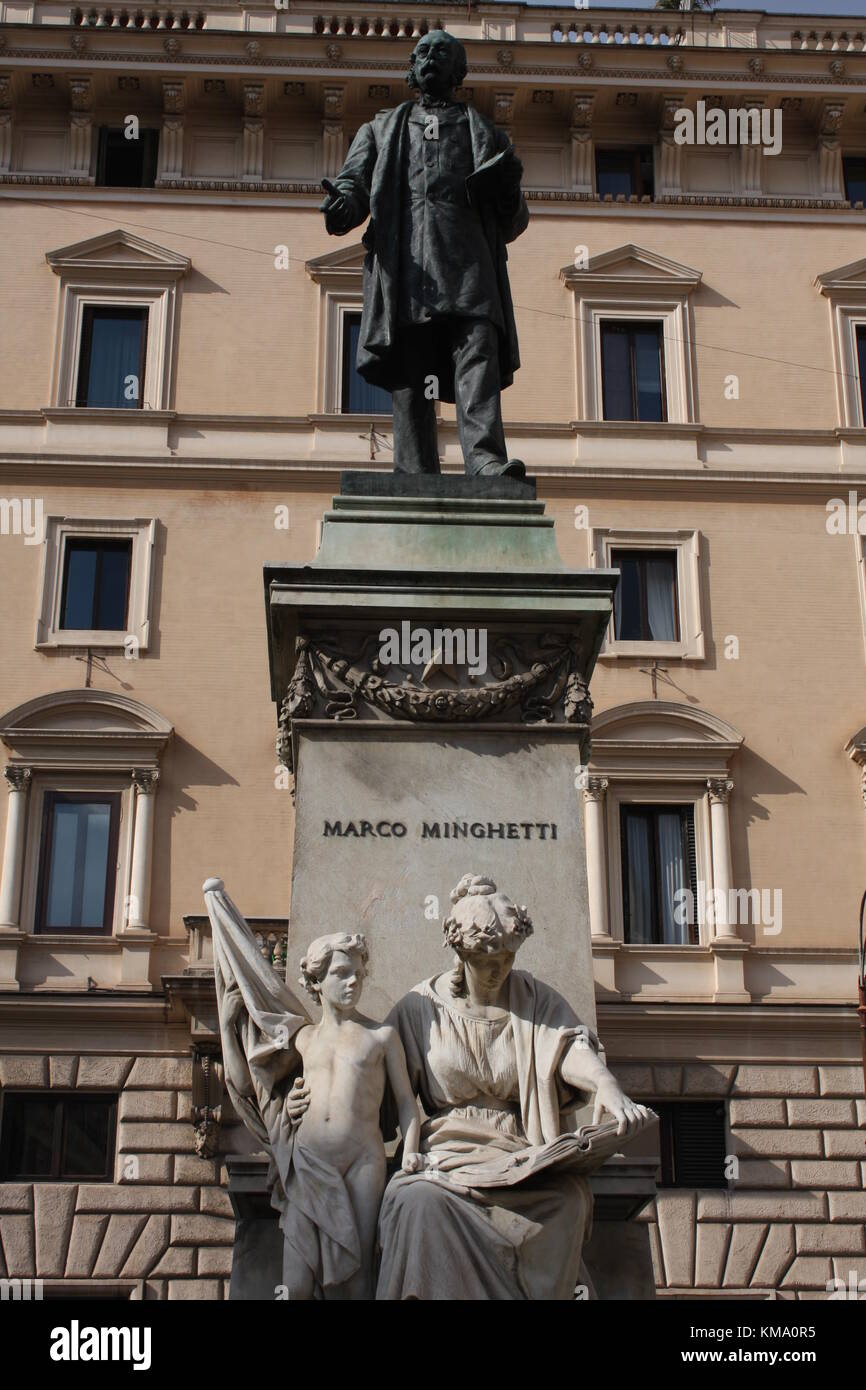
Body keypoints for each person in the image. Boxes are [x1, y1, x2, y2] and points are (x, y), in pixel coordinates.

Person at [287, 874, 651, 1299]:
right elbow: (366, 1078)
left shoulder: (534, 999)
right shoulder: (418, 1008)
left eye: (506, 960)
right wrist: (306, 1100)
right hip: (445, 1155)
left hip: (522, 1155)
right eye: (487, 962)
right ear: (460, 955)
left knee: (567, 1202)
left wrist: (606, 1085)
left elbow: (567, 1045)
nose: (499, 971)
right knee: (416, 1201)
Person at [319, 30, 529, 478]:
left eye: (443, 52)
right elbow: (354, 188)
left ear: (459, 73)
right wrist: (341, 206)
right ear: (412, 70)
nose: (431, 58)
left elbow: (514, 222)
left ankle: (486, 460)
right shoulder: (379, 129)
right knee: (412, 369)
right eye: (423, 52)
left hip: (470, 265)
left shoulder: (486, 135)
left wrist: (508, 186)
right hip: (408, 265)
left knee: (477, 351)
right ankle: (414, 472)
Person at [285, 932, 421, 1299]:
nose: (353, 983)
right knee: (295, 1284)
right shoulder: (303, 1039)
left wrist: (410, 1153)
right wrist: (288, 1105)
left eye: (359, 975)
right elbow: (280, 1091)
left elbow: (407, 1103)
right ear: (316, 980)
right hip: (309, 1162)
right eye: (342, 973)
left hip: (362, 1161)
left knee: (358, 1277)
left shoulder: (381, 1036)